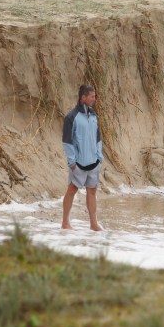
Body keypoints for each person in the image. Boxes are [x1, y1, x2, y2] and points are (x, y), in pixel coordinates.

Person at [61, 84, 103, 231]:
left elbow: (98, 137)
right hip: (78, 163)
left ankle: (93, 223)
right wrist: (72, 162)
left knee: (92, 191)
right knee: (72, 190)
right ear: (83, 97)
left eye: (94, 96)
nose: (94, 99)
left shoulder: (93, 115)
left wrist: (99, 156)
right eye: (92, 96)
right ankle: (65, 222)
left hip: (93, 162)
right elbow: (67, 141)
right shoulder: (71, 117)